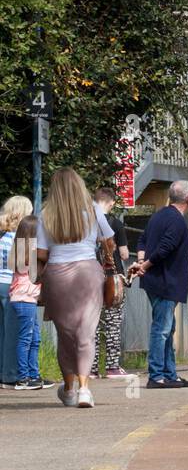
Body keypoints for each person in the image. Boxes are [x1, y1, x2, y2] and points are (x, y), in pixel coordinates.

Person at [37, 168, 115, 409]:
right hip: (88, 272)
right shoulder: (93, 210)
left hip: (57, 275)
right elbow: (109, 241)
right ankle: (84, 389)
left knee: (66, 336)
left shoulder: (46, 214)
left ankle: (69, 390)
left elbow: (40, 253)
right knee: (86, 334)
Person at [130, 180, 188, 390]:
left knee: (168, 327)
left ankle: (170, 374)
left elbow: (142, 240)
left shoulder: (158, 215)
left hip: (153, 282)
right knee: (162, 329)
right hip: (167, 282)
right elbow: (165, 248)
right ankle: (156, 375)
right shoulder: (177, 221)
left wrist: (141, 263)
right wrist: (146, 265)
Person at [90, 187, 133, 380]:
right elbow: (123, 254)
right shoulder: (115, 223)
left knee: (92, 325)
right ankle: (112, 367)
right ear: (112, 202)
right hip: (112, 279)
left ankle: (90, 368)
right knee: (113, 322)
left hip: (90, 278)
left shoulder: (87, 222)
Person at [0, 195, 34, 390]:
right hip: (12, 286)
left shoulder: (1, 234)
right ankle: (10, 375)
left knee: (1, 332)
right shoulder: (18, 238)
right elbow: (22, 266)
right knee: (13, 333)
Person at [9, 215, 44, 389]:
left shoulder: (22, 249)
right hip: (24, 300)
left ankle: (33, 374)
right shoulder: (26, 252)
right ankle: (23, 378)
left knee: (35, 339)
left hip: (28, 300)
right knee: (26, 339)